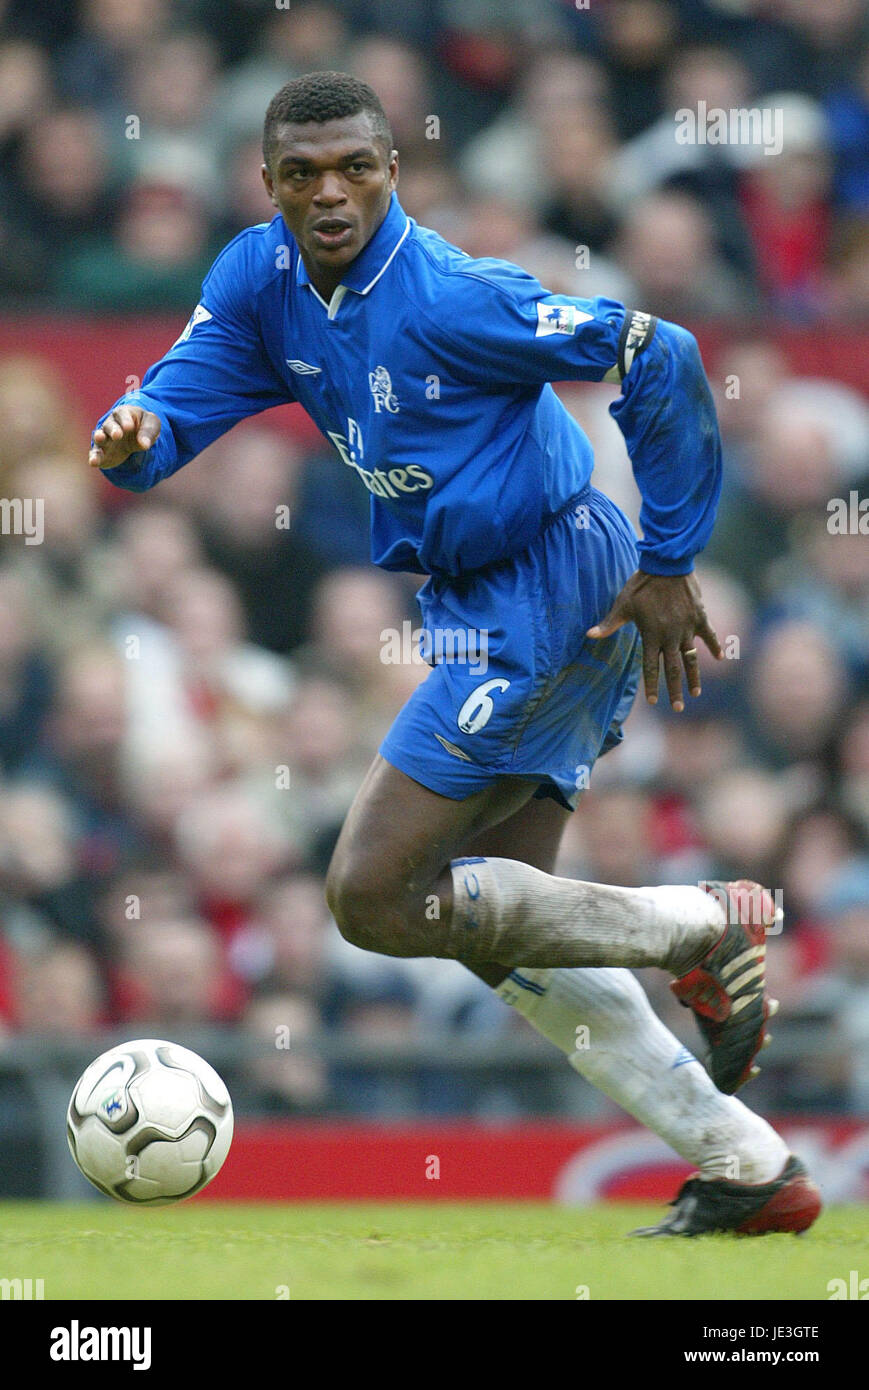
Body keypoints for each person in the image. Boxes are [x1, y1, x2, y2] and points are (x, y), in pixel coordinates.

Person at [88, 71, 820, 1236]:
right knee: (507, 932)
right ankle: (747, 1166)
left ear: (393, 172)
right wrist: (131, 440)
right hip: (476, 596)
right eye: (301, 174)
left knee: (372, 895)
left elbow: (657, 348)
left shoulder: (451, 295)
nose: (329, 194)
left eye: (354, 169)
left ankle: (698, 924)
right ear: (267, 182)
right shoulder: (261, 279)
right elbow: (173, 408)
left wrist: (672, 560)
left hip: (552, 584)